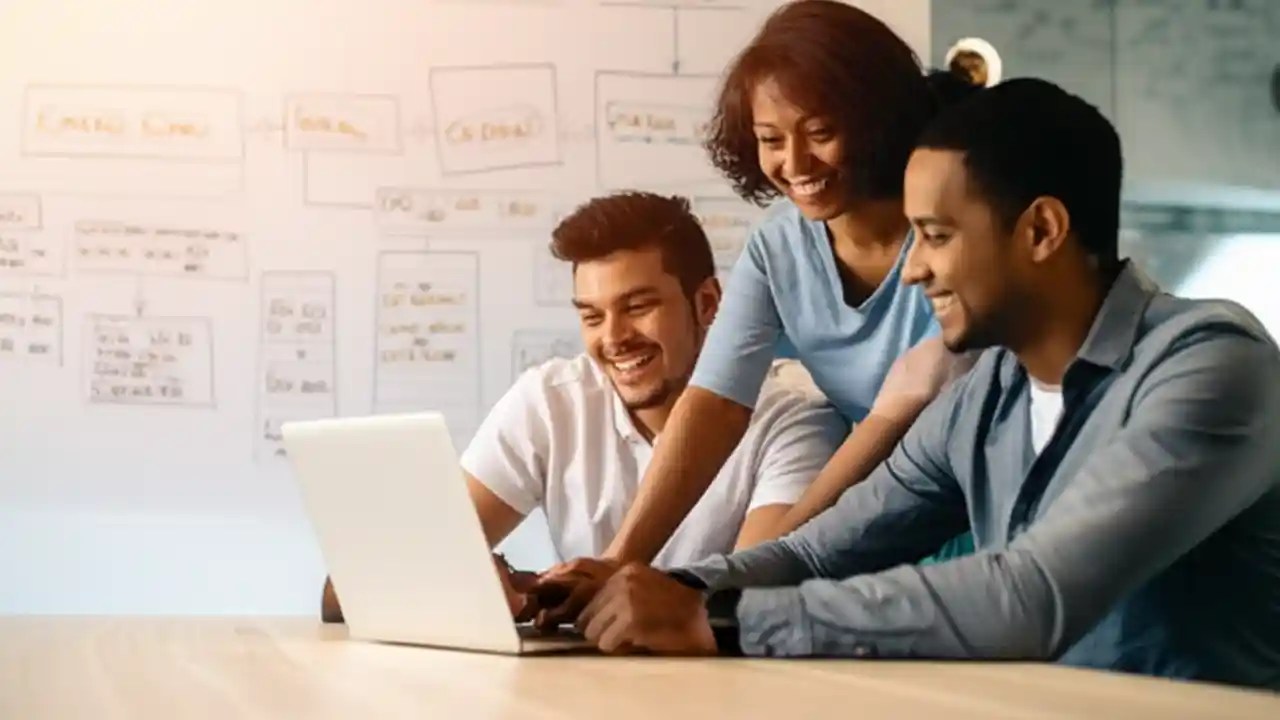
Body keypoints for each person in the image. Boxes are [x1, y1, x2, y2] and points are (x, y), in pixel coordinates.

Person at [558, 78, 1280, 689]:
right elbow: (818, 551)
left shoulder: (1210, 366)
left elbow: (1031, 595)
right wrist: (663, 589)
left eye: (935, 236)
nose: (912, 270)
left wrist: (717, 618)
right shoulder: (988, 392)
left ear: (1041, 231)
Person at [534, 0, 981, 622]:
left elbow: (901, 415)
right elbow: (713, 404)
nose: (794, 166)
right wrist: (620, 559)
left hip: (977, 519)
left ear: (877, 120)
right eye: (771, 140)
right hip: (869, 528)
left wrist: (752, 568)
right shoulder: (780, 247)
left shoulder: (947, 230)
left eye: (820, 133)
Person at [320, 191, 847, 623]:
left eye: (638, 307)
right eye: (592, 316)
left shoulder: (792, 417)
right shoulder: (550, 402)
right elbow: (345, 592)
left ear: (707, 304)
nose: (614, 338)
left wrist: (617, 582)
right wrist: (483, 587)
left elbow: (755, 592)